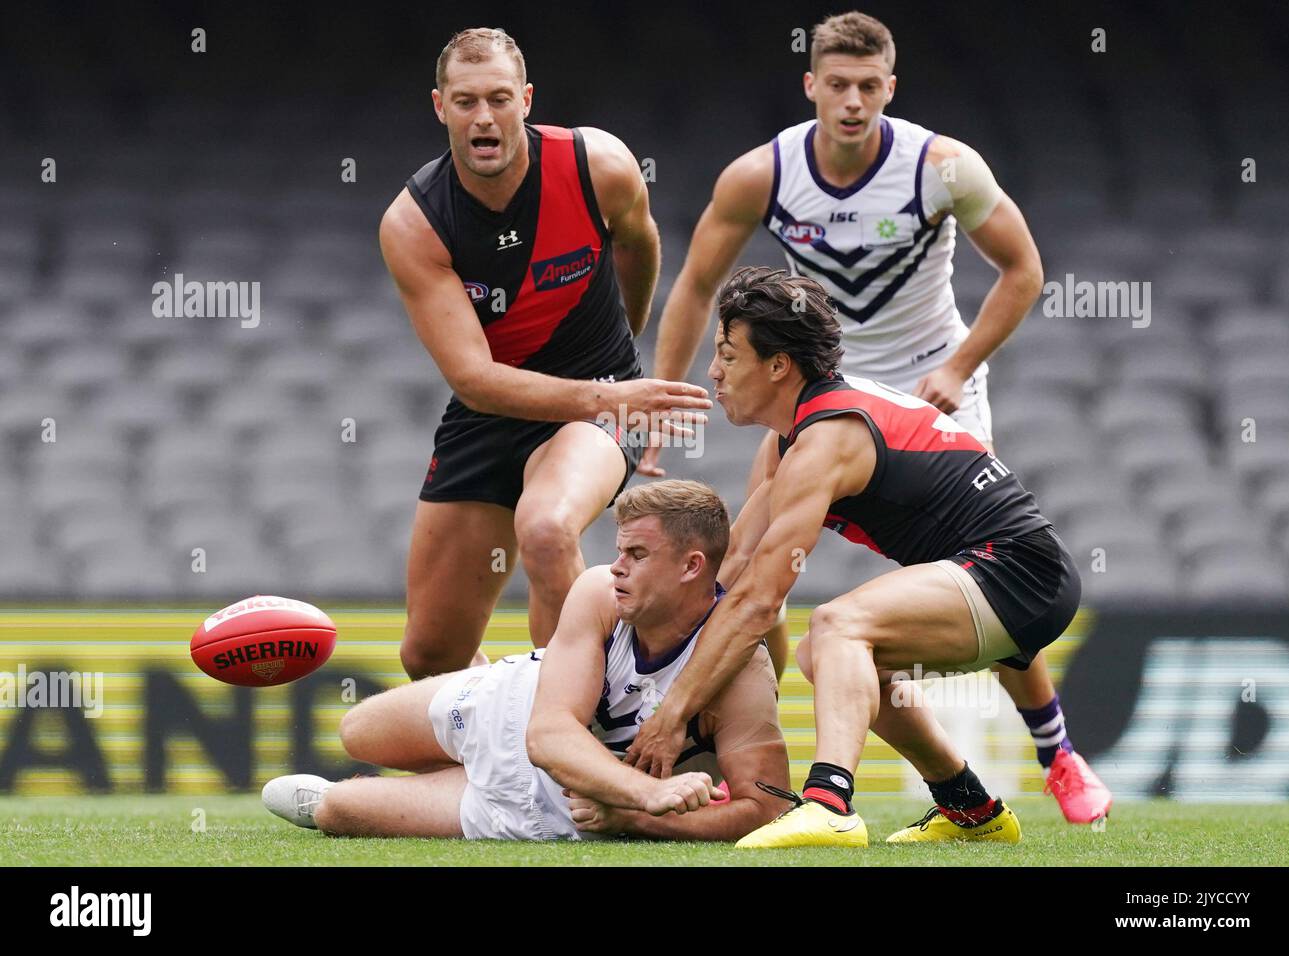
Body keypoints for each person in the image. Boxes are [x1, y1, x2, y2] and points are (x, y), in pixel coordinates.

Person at [641, 11, 1109, 821]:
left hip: (925, 389)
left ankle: (1052, 749)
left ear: (890, 90)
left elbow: (1024, 270)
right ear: (810, 85)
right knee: (758, 579)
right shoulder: (763, 174)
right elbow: (691, 285)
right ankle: (800, 761)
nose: (853, 101)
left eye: (869, 86)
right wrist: (661, 400)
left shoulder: (943, 167)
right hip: (818, 380)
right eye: (838, 84)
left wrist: (957, 368)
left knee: (911, 594)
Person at [628, 267, 1084, 848]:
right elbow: (736, 564)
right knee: (826, 654)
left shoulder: (828, 437)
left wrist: (672, 716)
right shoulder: (794, 436)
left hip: (1020, 569)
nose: (713, 371)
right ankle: (972, 809)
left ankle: (829, 804)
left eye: (727, 354)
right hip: (997, 571)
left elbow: (760, 598)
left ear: (778, 366)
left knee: (837, 624)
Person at [380, 27, 710, 680]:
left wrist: (622, 353)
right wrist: (613, 395)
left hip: (593, 412)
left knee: (546, 527)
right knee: (429, 656)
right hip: (496, 412)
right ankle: (502, 747)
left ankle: (583, 733)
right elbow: (475, 382)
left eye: (499, 98)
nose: (484, 117)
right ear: (440, 107)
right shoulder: (414, 223)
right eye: (466, 101)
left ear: (526, 100)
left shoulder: (600, 167)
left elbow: (638, 245)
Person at [262, 480, 789, 841]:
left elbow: (767, 808)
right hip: (512, 708)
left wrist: (635, 819)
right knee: (357, 731)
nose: (617, 567)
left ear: (691, 566)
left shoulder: (743, 671)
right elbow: (549, 735)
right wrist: (648, 794)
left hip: (549, 811)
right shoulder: (599, 591)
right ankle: (470, 691)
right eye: (619, 550)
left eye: (637, 555)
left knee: (337, 810)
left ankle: (403, 789)